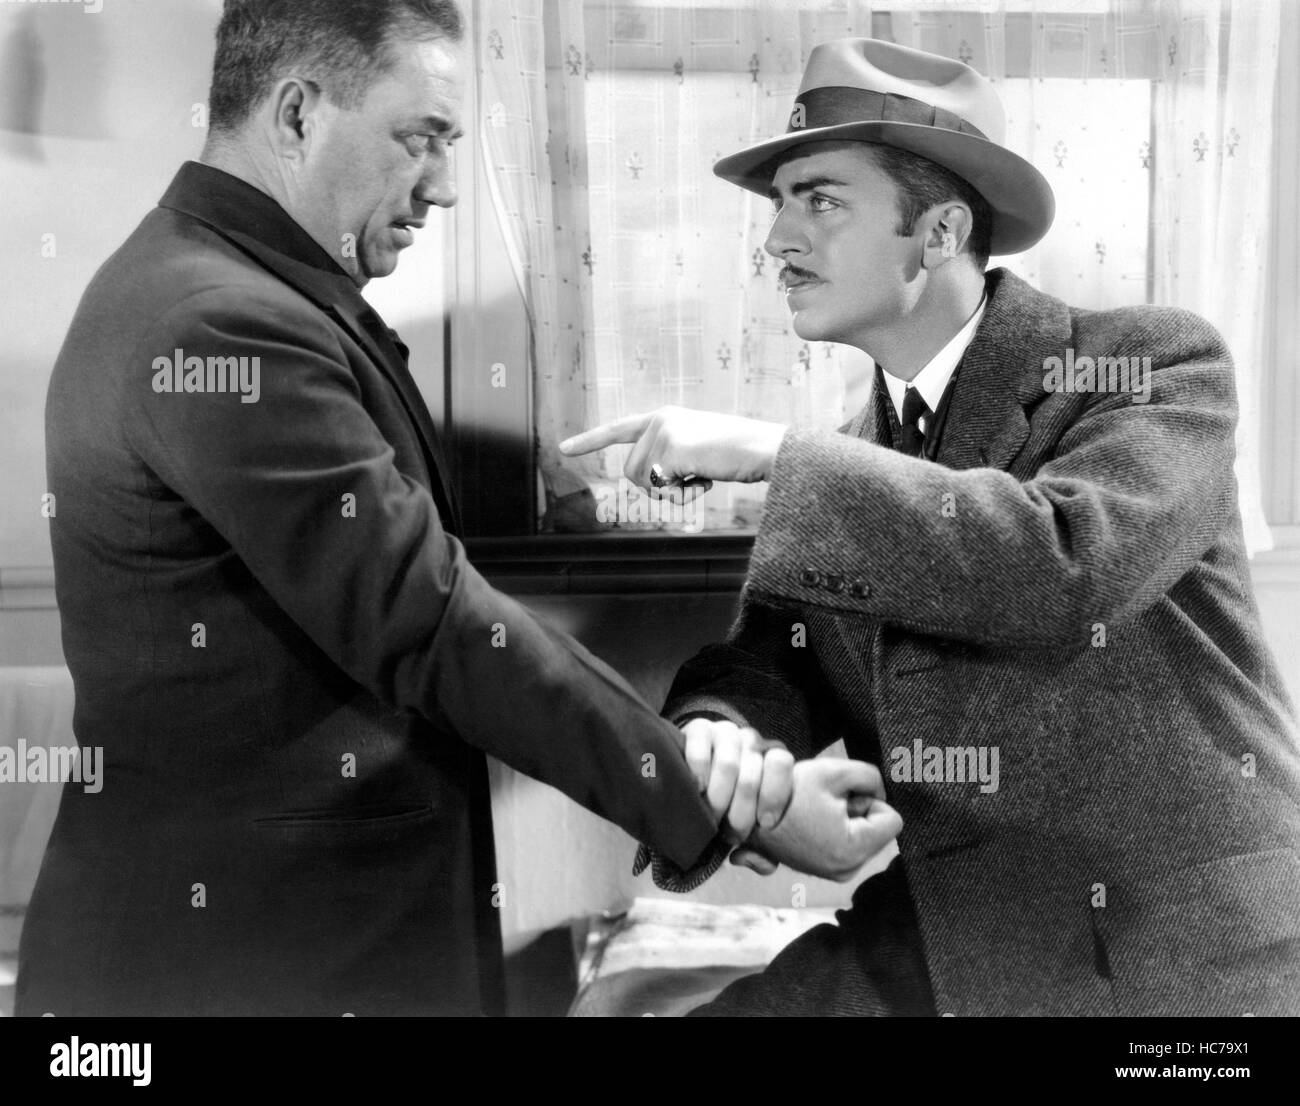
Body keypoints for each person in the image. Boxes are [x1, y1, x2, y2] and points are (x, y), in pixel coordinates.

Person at [19, 1, 898, 1017]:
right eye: (420, 139)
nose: (441, 185)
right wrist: (738, 802)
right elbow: (427, 616)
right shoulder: (221, 323)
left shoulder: (248, 294)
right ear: (297, 114)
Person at [562, 37, 1300, 1016]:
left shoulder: (1151, 366)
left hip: (1169, 956)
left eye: (818, 198)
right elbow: (767, 660)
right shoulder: (857, 451)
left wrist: (769, 454)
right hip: (948, 932)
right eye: (777, 202)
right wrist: (720, 739)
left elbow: (1058, 564)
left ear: (940, 230)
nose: (775, 240)